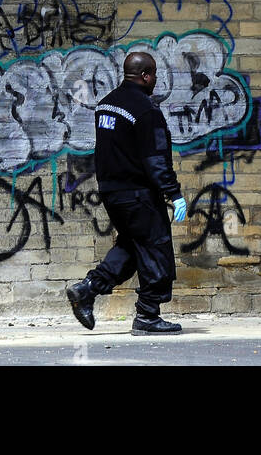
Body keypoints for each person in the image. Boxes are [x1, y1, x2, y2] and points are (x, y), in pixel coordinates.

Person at [66, 52, 188, 335]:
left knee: (132, 247)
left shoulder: (106, 105)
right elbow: (155, 160)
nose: (155, 80)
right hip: (139, 194)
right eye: (154, 74)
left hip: (112, 193)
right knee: (156, 247)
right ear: (146, 75)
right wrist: (174, 193)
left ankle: (87, 289)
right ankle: (148, 315)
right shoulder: (146, 111)